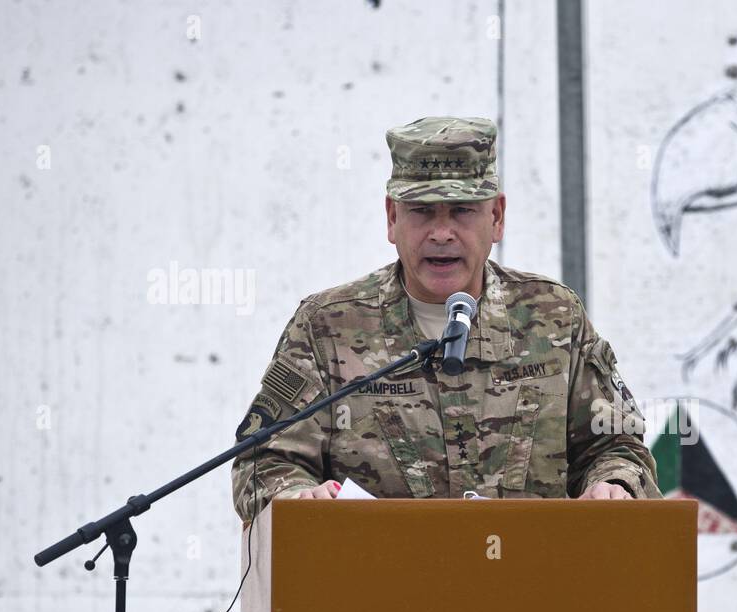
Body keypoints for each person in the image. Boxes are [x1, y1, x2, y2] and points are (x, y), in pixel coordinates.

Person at [230, 116, 659, 523]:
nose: (441, 232)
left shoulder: (553, 316)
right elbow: (262, 461)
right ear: (391, 218)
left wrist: (614, 483)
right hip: (377, 587)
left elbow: (616, 444)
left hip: (527, 584)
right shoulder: (329, 327)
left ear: (497, 217)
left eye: (461, 210)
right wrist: (298, 497)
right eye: (421, 211)